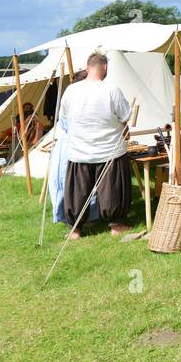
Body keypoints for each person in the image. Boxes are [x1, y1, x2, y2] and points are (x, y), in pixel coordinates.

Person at [58, 52, 133, 239]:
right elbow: (125, 116)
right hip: (109, 150)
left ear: (87, 67)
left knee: (78, 192)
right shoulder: (111, 89)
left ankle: (75, 230)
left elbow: (64, 120)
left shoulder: (71, 90)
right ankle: (116, 226)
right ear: (105, 67)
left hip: (80, 150)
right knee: (112, 190)